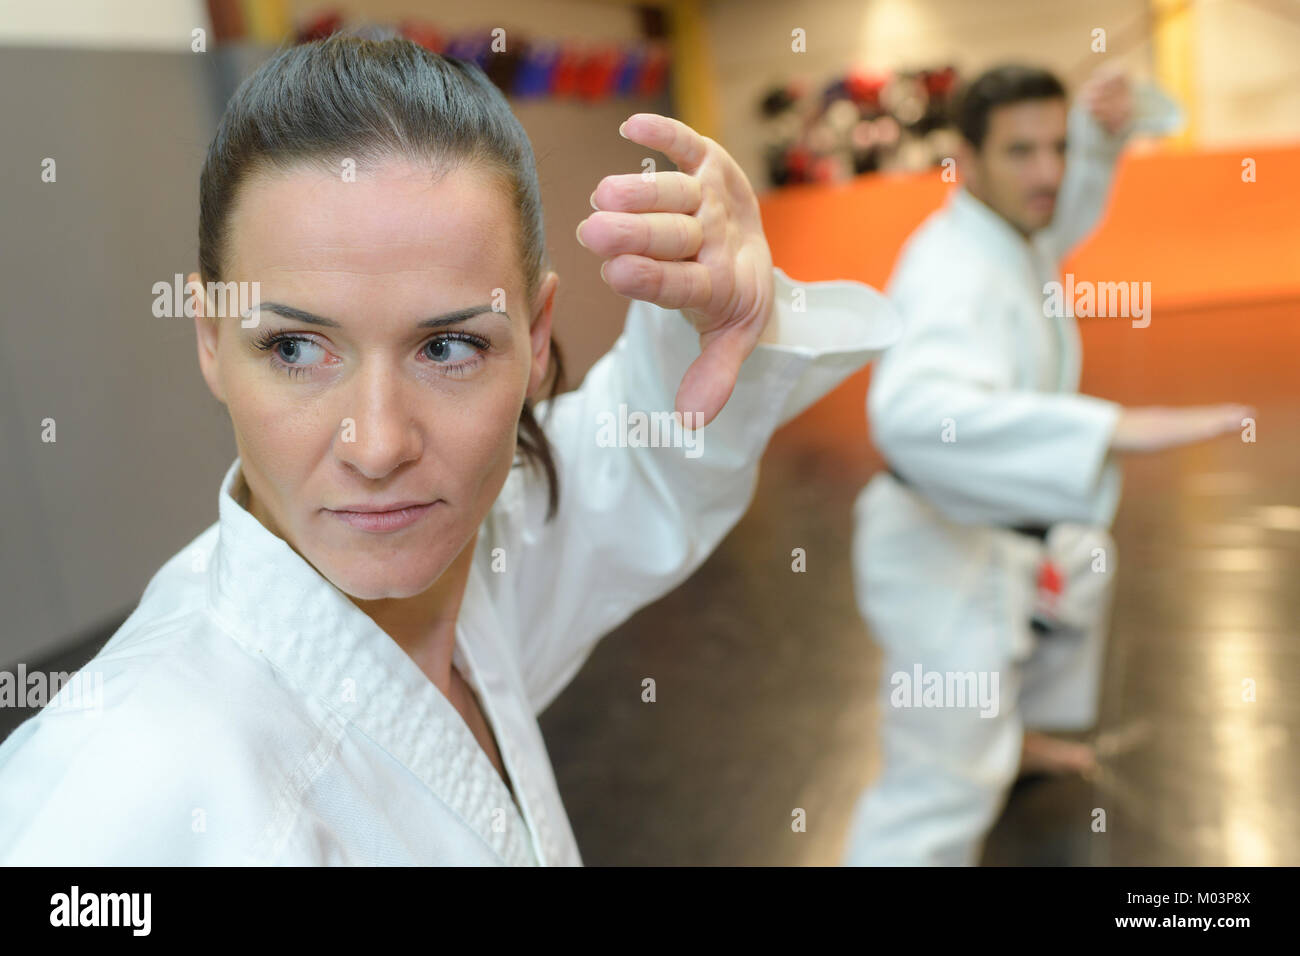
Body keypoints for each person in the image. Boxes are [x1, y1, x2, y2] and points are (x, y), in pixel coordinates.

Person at [0, 33, 899, 865]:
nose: (380, 445)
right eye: (295, 349)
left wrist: (725, 317)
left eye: (448, 348)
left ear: (536, 336)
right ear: (208, 337)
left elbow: (634, 468)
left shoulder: (473, 569)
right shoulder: (121, 791)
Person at [842, 63, 1250, 866]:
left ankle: (1018, 736)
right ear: (967, 157)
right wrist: (1104, 430)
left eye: (1058, 148)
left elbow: (1086, 189)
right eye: (1021, 151)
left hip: (1000, 528)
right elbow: (910, 417)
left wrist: (1120, 121)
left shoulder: (1016, 231)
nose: (1049, 173)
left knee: (1085, 562)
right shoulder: (955, 270)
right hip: (936, 549)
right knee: (940, 785)